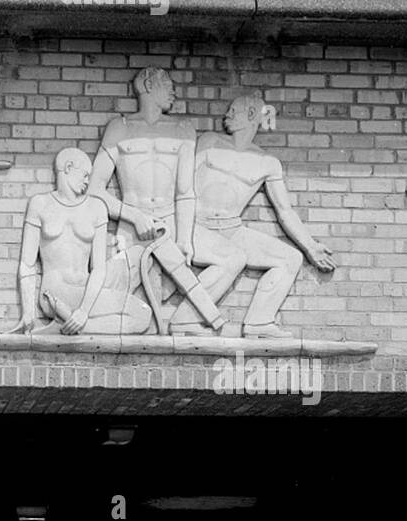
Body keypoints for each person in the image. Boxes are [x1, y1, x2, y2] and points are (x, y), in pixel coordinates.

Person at [168, 92, 336, 338]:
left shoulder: (267, 162)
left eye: (233, 111)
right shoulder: (210, 141)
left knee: (290, 258)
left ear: (250, 115)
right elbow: (181, 185)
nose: (227, 115)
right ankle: (184, 319)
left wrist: (310, 247)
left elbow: (284, 211)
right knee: (233, 258)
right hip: (196, 226)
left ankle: (259, 322)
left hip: (231, 229)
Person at [88, 66, 228, 335]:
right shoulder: (121, 128)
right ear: (148, 86)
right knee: (125, 301)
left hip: (171, 224)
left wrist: (185, 240)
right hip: (133, 228)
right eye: (167, 84)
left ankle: (186, 319)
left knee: (228, 258)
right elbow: (95, 188)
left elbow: (185, 192)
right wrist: (134, 216)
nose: (173, 90)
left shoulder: (183, 130)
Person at [19, 148, 152, 336]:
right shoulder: (40, 204)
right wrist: (28, 312)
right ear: (68, 167)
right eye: (85, 175)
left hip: (87, 292)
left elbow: (98, 268)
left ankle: (78, 324)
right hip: (56, 292)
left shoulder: (96, 208)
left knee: (142, 311)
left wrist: (83, 311)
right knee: (141, 315)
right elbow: (27, 263)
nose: (87, 181)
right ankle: (72, 319)